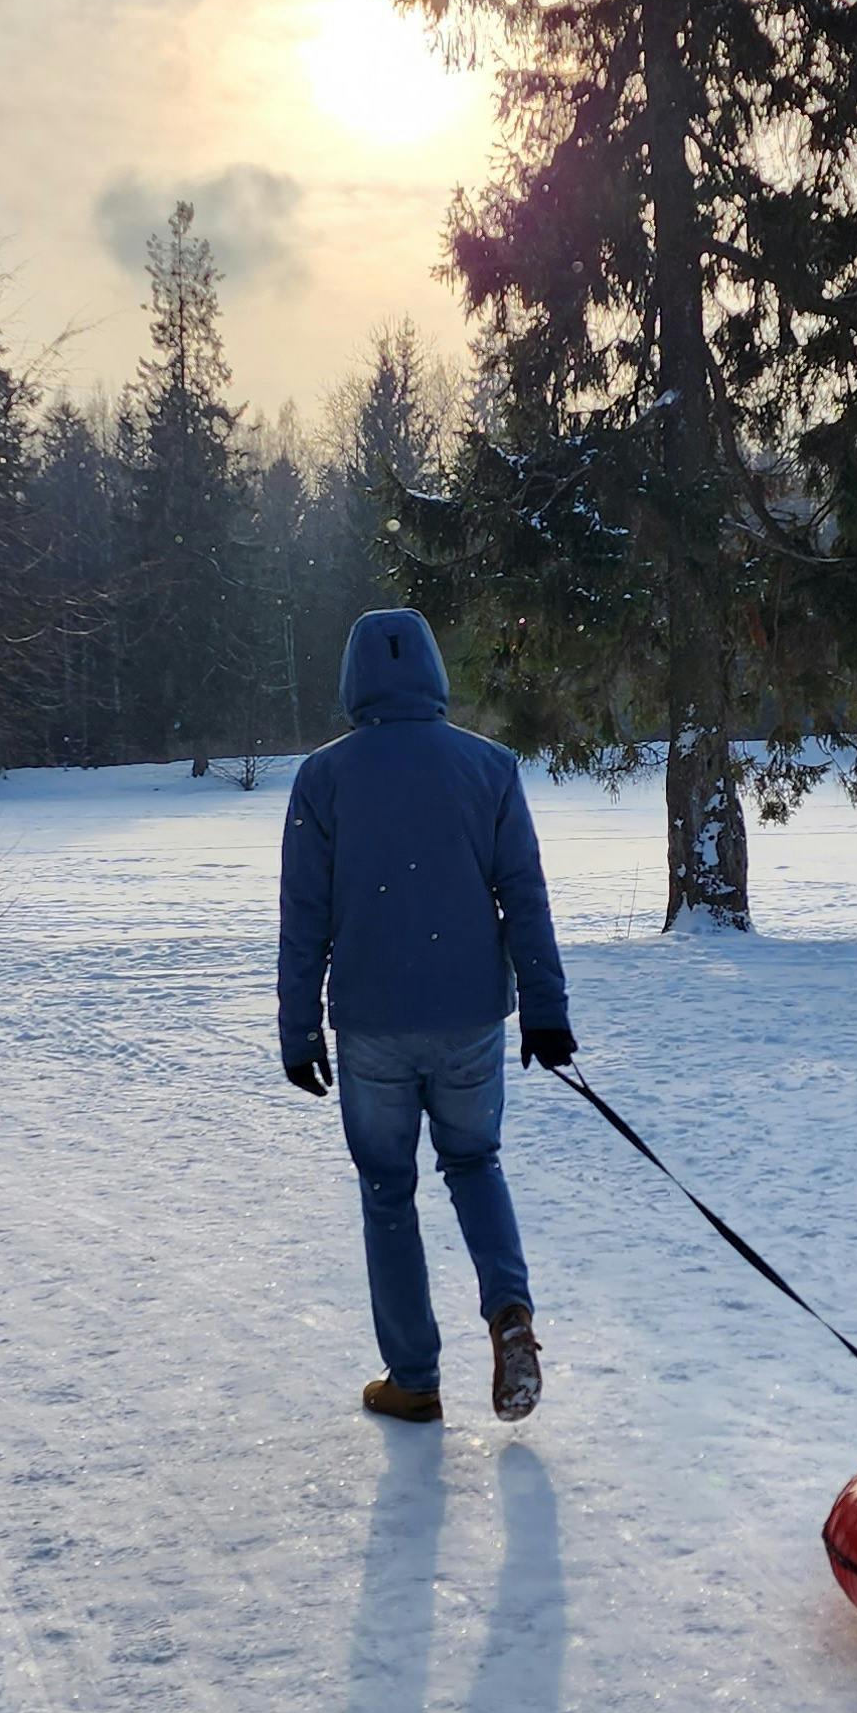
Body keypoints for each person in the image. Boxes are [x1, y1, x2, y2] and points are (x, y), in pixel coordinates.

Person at [278, 607, 576, 1424]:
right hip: (470, 1013)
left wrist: (298, 1029)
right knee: (475, 1163)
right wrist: (545, 1011)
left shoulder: (324, 777)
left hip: (372, 1016)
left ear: (354, 680)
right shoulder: (490, 768)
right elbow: (525, 896)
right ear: (435, 676)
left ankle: (413, 1379)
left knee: (386, 1189)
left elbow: (303, 914)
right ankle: (509, 1312)